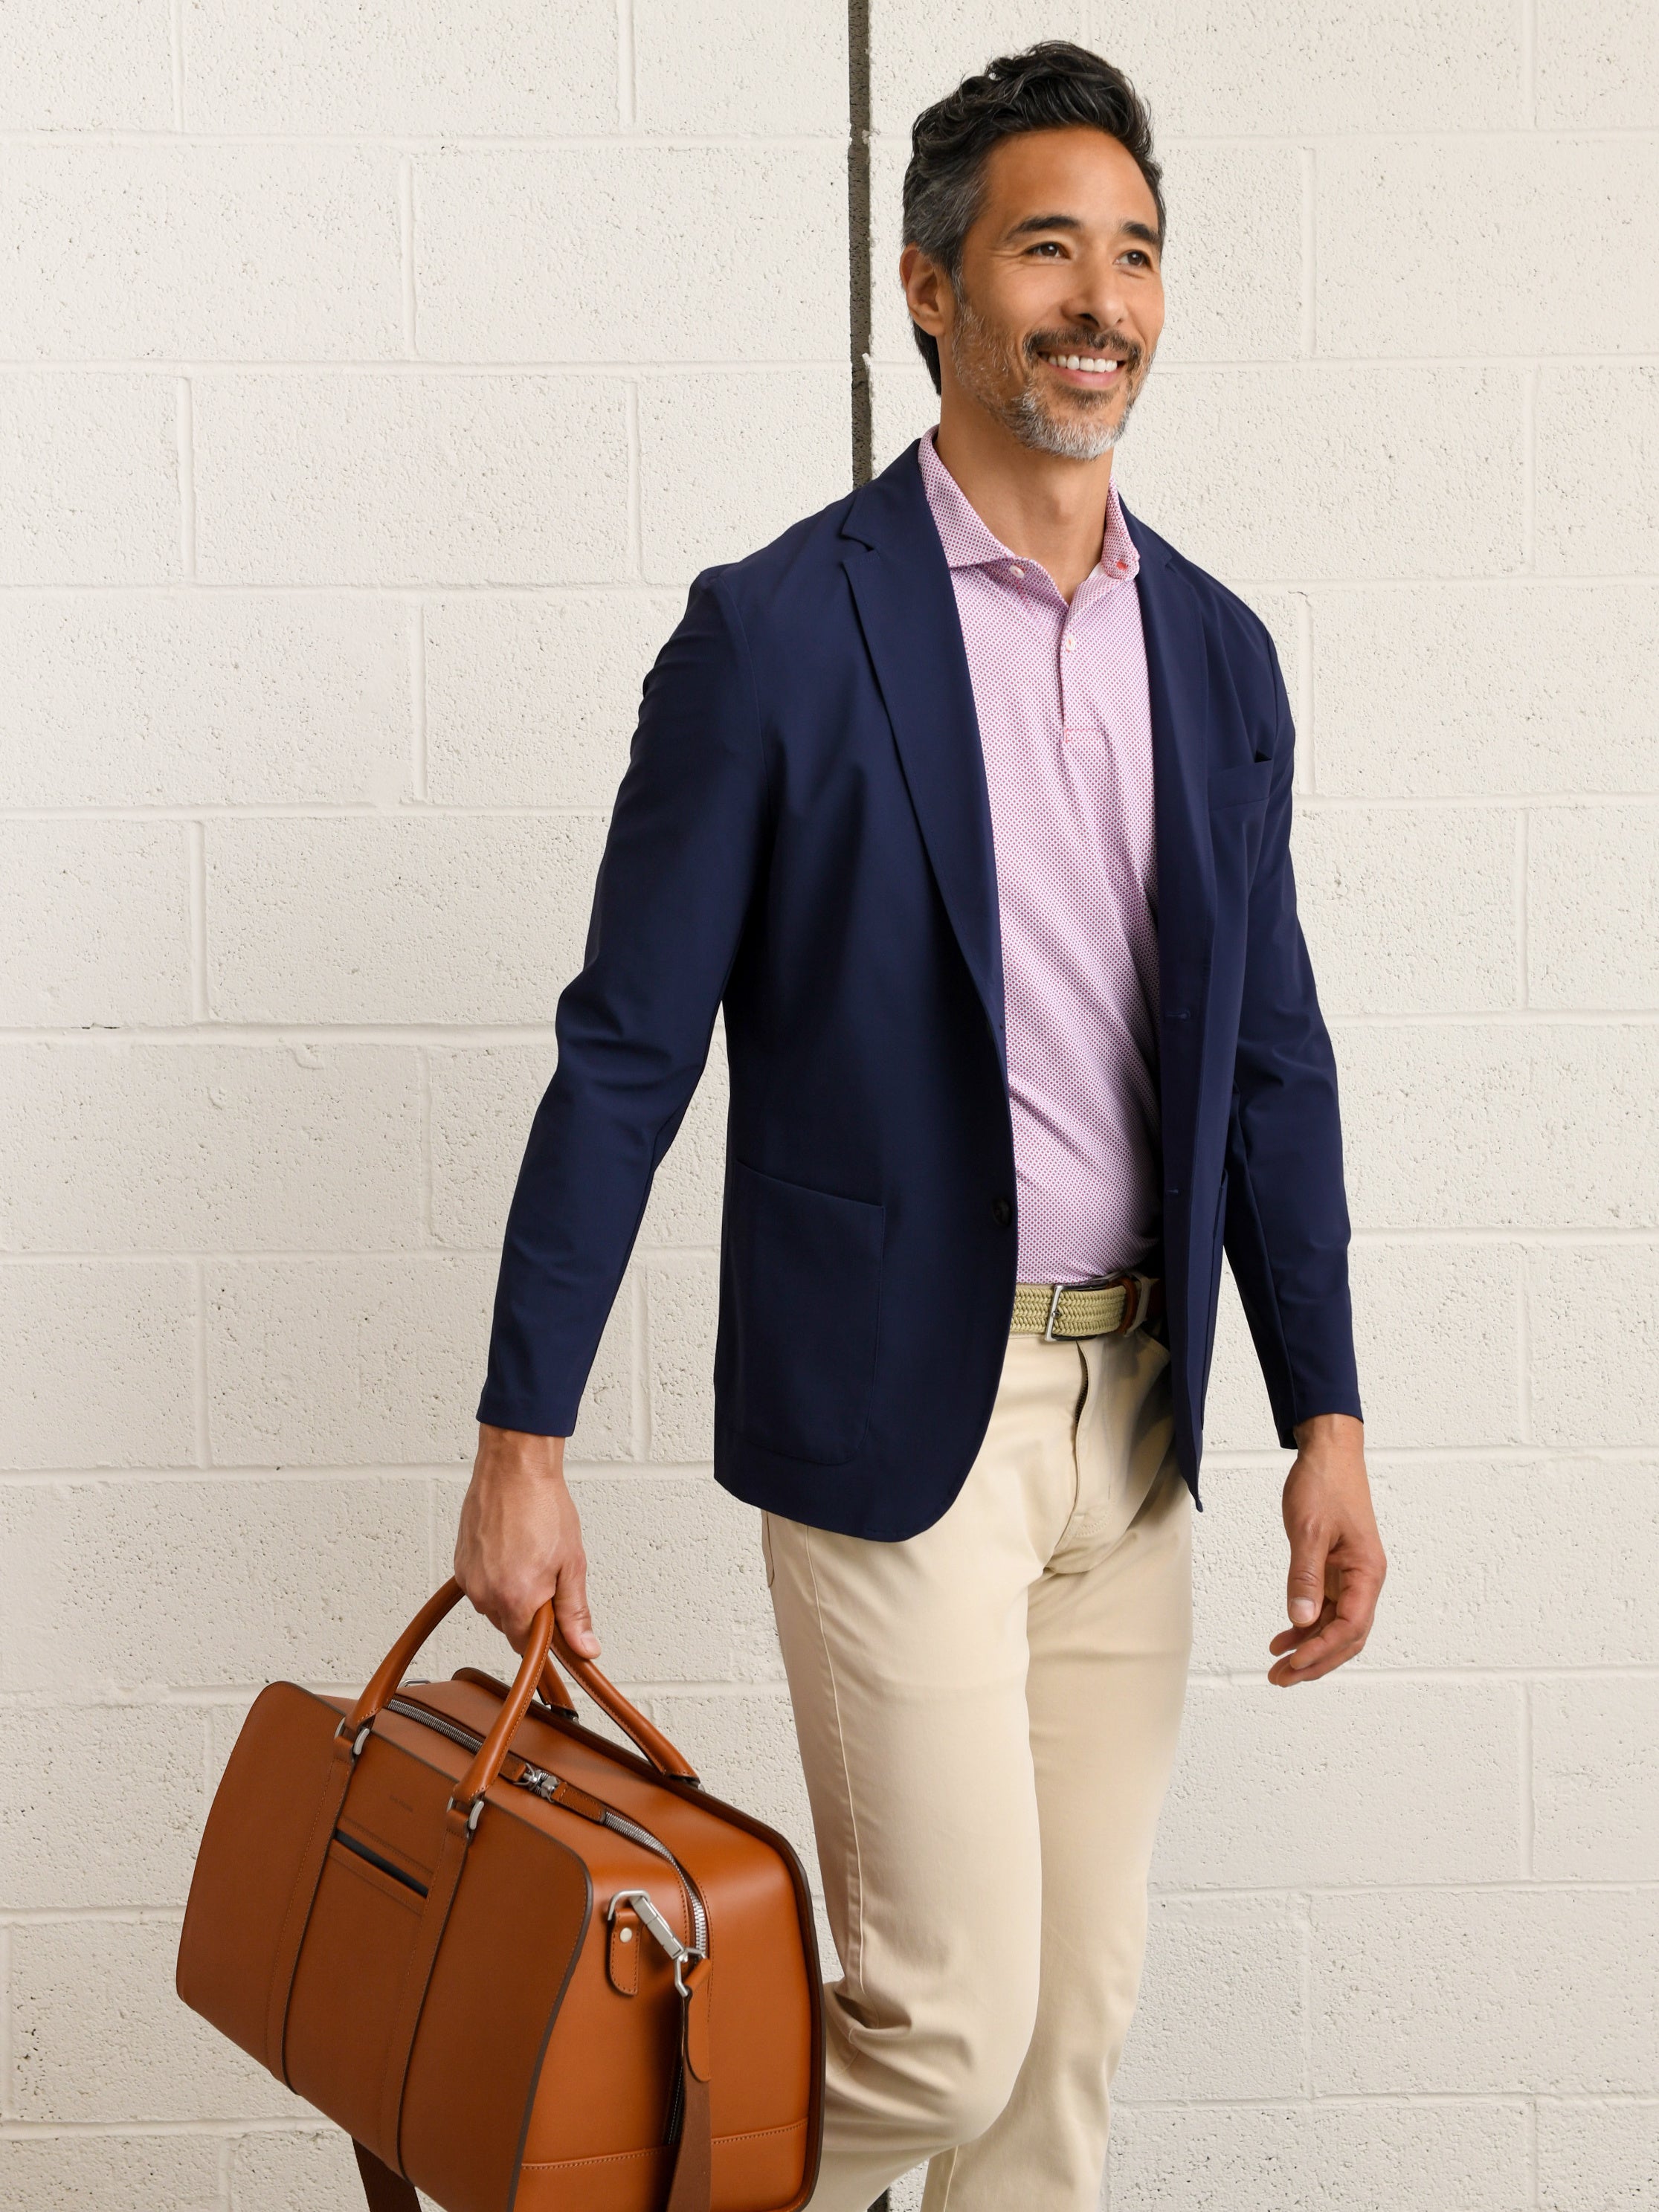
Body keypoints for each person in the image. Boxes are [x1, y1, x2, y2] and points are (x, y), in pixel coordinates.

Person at [455, 41, 1385, 2212]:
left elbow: (1273, 1060)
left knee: (1059, 2057)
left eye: (1135, 253)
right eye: (1047, 249)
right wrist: (523, 1437)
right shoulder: (779, 634)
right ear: (932, 291)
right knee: (946, 2023)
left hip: (1136, 1425)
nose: (1101, 300)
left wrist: (1327, 1413)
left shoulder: (1219, 657)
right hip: (898, 1417)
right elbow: (625, 1051)